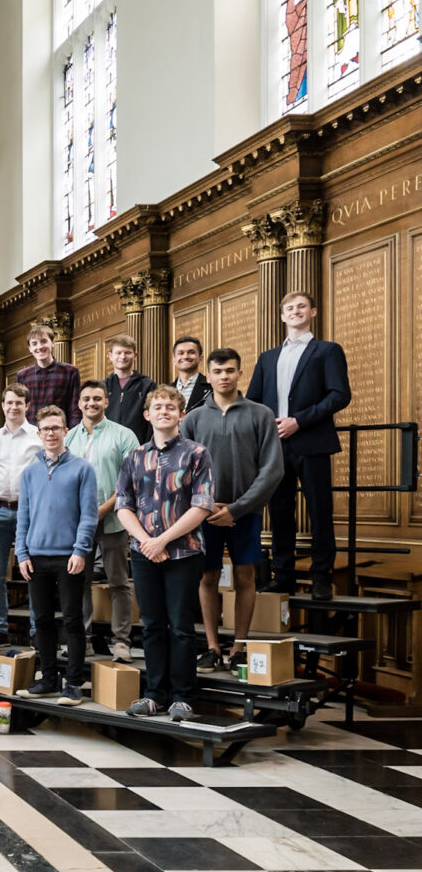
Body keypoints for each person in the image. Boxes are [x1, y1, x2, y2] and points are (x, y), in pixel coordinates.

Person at [116, 386, 216, 721]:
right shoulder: (134, 457)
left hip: (184, 553)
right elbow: (122, 506)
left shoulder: (197, 453)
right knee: (152, 625)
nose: (163, 411)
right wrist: (147, 541)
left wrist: (163, 541)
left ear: (180, 414)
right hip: (144, 552)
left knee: (181, 626)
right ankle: (154, 694)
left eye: (170, 407)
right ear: (147, 415)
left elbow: (202, 506)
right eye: (157, 407)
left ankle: (183, 697)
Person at [182, 348, 284, 672]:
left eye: (230, 370)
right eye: (217, 371)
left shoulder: (260, 414)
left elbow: (272, 470)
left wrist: (238, 509)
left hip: (245, 512)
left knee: (245, 575)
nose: (224, 376)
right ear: (207, 375)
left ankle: (239, 645)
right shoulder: (194, 418)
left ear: (240, 373)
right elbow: (182, 469)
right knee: (207, 576)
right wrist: (204, 505)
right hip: (204, 513)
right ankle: (212, 647)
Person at [246, 291, 351, 601]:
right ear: (282, 317)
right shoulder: (267, 358)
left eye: (301, 306)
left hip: (311, 441)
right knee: (279, 512)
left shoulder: (327, 351)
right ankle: (284, 575)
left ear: (313, 312)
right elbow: (252, 400)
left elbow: (339, 395)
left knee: (320, 510)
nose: (295, 311)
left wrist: (299, 421)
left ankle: (322, 578)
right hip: (275, 445)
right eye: (289, 308)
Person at [13, 406, 98, 706]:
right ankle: (48, 678)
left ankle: (73, 683)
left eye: (56, 428)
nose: (50, 433)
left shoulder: (82, 469)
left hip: (69, 558)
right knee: (43, 621)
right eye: (45, 429)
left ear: (65, 431)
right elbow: (23, 516)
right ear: (38, 433)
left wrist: (81, 549)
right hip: (36, 557)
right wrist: (21, 553)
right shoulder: (30, 472)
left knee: (73, 621)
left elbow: (89, 516)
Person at [66, 378, 139, 663]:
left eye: (97, 399)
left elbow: (130, 480)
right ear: (80, 403)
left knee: (119, 583)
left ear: (106, 402)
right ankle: (80, 640)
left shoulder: (123, 435)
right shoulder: (69, 438)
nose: (92, 403)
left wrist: (103, 509)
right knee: (78, 582)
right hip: (77, 525)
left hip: (114, 521)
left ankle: (121, 641)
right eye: (87, 399)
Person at [0, 382, 42, 647]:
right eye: (9, 402)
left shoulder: (38, 436)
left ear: (27, 405)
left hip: (30, 512)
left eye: (19, 402)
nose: (13, 407)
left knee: (34, 571)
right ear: (3, 405)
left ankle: (37, 630)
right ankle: (0, 628)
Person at [15, 324, 81, 427]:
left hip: (59, 434)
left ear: (53, 343)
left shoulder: (70, 372)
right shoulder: (22, 376)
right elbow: (19, 409)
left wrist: (72, 436)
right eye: (34, 343)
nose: (39, 347)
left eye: (44, 341)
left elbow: (74, 409)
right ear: (30, 348)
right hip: (31, 436)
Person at [103, 335, 155, 443]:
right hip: (108, 447)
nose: (123, 357)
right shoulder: (102, 387)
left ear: (135, 355)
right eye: (118, 353)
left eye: (128, 352)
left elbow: (152, 419)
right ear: (110, 356)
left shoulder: (147, 385)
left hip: (138, 445)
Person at [172, 336, 212, 413]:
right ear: (173, 360)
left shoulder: (211, 388)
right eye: (181, 353)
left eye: (191, 352)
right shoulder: (166, 390)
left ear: (201, 358)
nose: (186, 356)